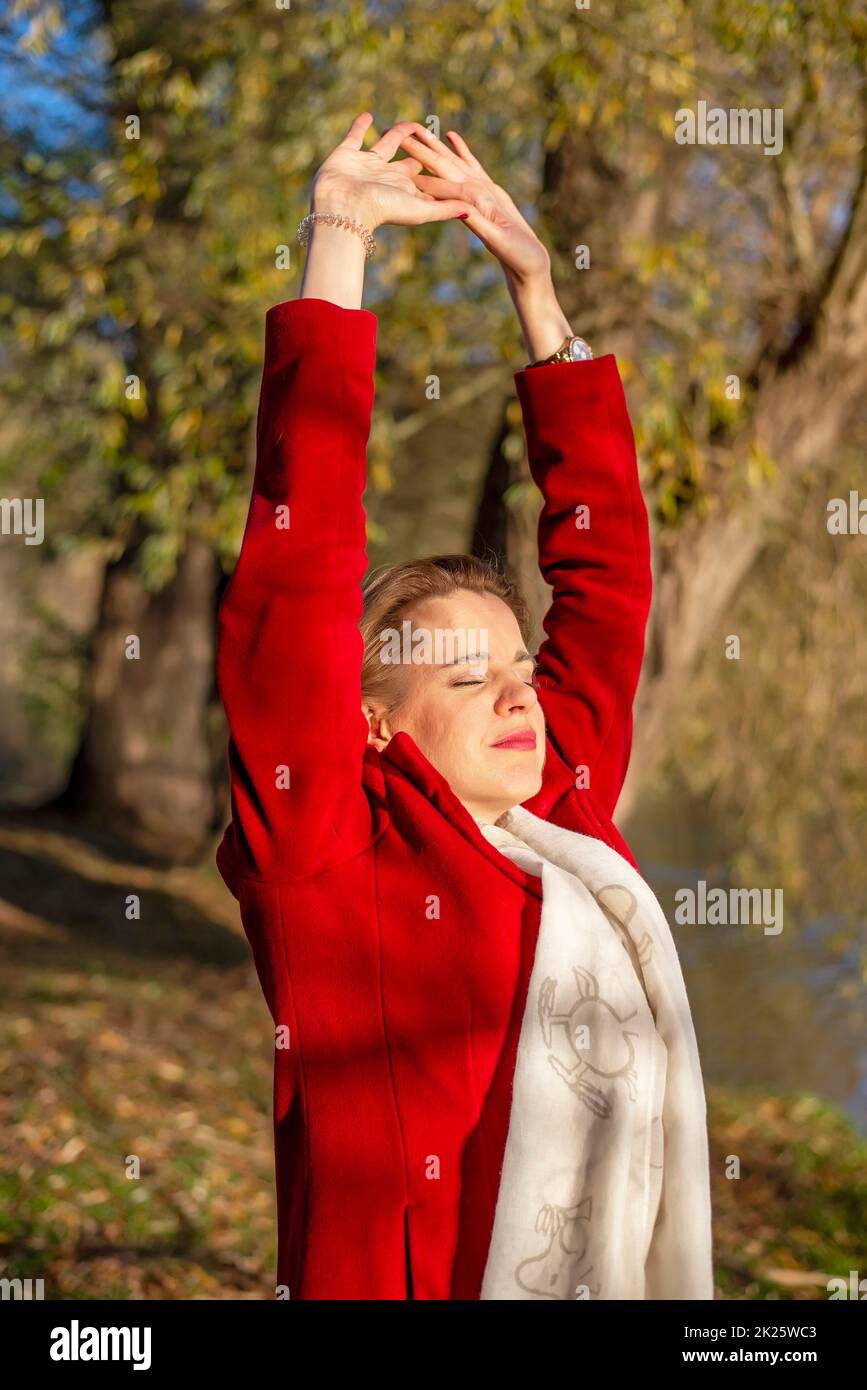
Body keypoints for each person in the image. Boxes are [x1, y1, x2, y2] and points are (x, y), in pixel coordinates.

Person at [215, 113, 713, 1300]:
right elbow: (299, 567)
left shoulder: (565, 812)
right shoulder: (327, 851)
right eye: (461, 675)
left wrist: (540, 298)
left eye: (515, 669)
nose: (514, 697)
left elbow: (606, 586)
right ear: (373, 720)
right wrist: (339, 240)